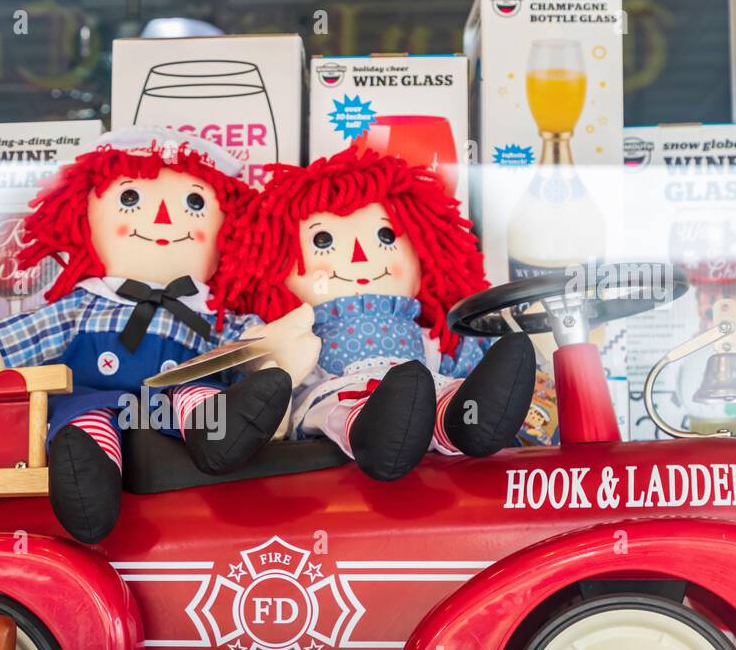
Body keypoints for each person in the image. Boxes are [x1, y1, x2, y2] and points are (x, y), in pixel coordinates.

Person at [0, 127, 315, 543]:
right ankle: (89, 482)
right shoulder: (83, 304)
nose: (163, 218)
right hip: (100, 399)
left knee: (198, 393)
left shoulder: (211, 311)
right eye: (130, 199)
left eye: (194, 203)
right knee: (85, 418)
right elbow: (31, 336)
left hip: (177, 402)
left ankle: (219, 436)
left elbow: (246, 345)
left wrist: (272, 351)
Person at [218, 148, 535, 481]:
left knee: (446, 394)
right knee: (342, 407)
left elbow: (459, 358)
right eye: (322, 240)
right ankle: (373, 431)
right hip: (338, 391)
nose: (357, 256)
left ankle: (466, 423)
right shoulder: (300, 330)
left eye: (386, 236)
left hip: (422, 386)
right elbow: (255, 371)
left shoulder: (427, 332)